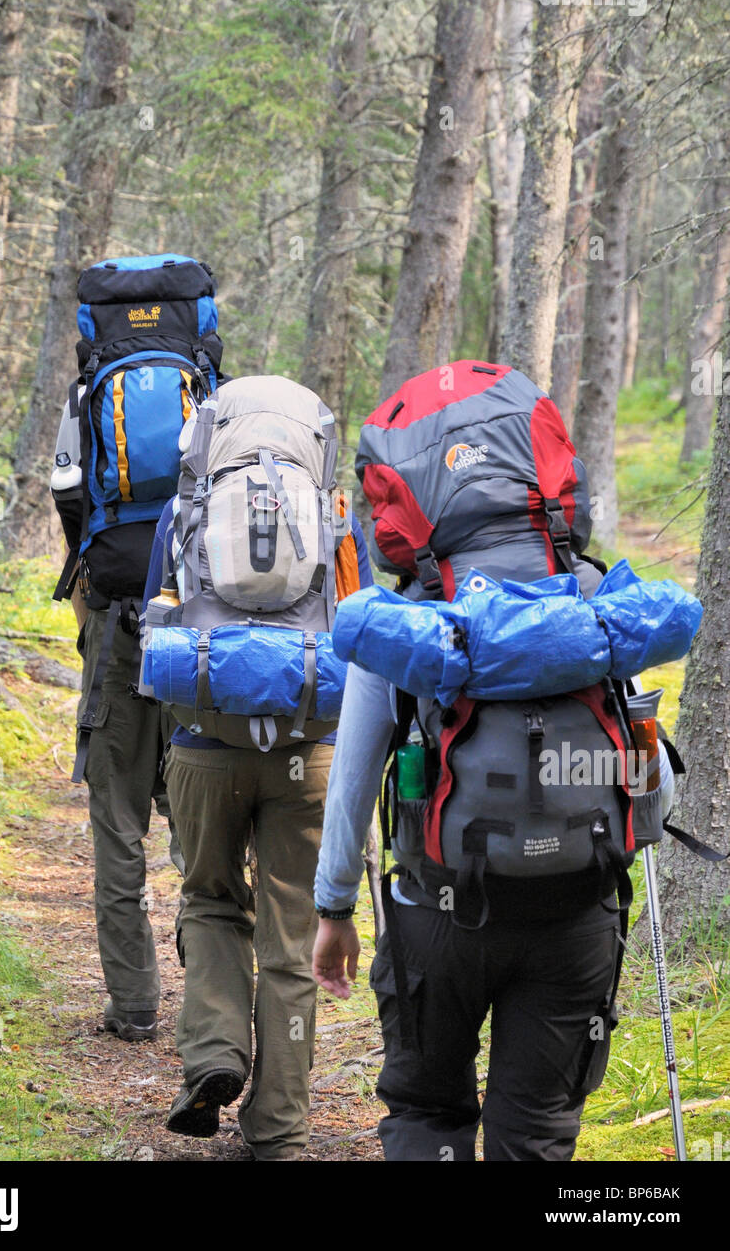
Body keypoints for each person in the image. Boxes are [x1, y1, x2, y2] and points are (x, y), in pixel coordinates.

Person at [311, 360, 678, 1162]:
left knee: (427, 1116)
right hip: (576, 915)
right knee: (536, 1133)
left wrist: (334, 909)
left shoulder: (402, 622)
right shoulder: (595, 604)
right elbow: (652, 790)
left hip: (438, 915)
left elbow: (351, 780)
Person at [142, 376, 373, 1160]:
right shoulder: (336, 519)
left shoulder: (185, 512)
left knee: (209, 900)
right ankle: (277, 1126)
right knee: (291, 936)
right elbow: (364, 632)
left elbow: (155, 629)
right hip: (309, 749)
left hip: (205, 744)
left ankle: (212, 1057)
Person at [50, 253, 223, 1042]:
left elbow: (66, 492)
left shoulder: (89, 394)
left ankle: (132, 1007)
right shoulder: (214, 395)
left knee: (118, 827)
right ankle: (213, 1005)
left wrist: (90, 576)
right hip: (196, 636)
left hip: (118, 622)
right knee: (198, 829)